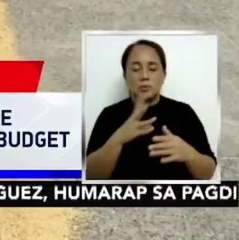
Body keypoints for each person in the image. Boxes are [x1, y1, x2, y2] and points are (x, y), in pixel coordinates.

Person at [84, 39, 217, 181]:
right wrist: (117, 140)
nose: (145, 76)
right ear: (125, 76)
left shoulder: (183, 112)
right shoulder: (109, 115)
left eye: (152, 69)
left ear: (164, 75)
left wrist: (189, 154)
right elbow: (91, 176)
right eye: (136, 69)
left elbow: (208, 173)